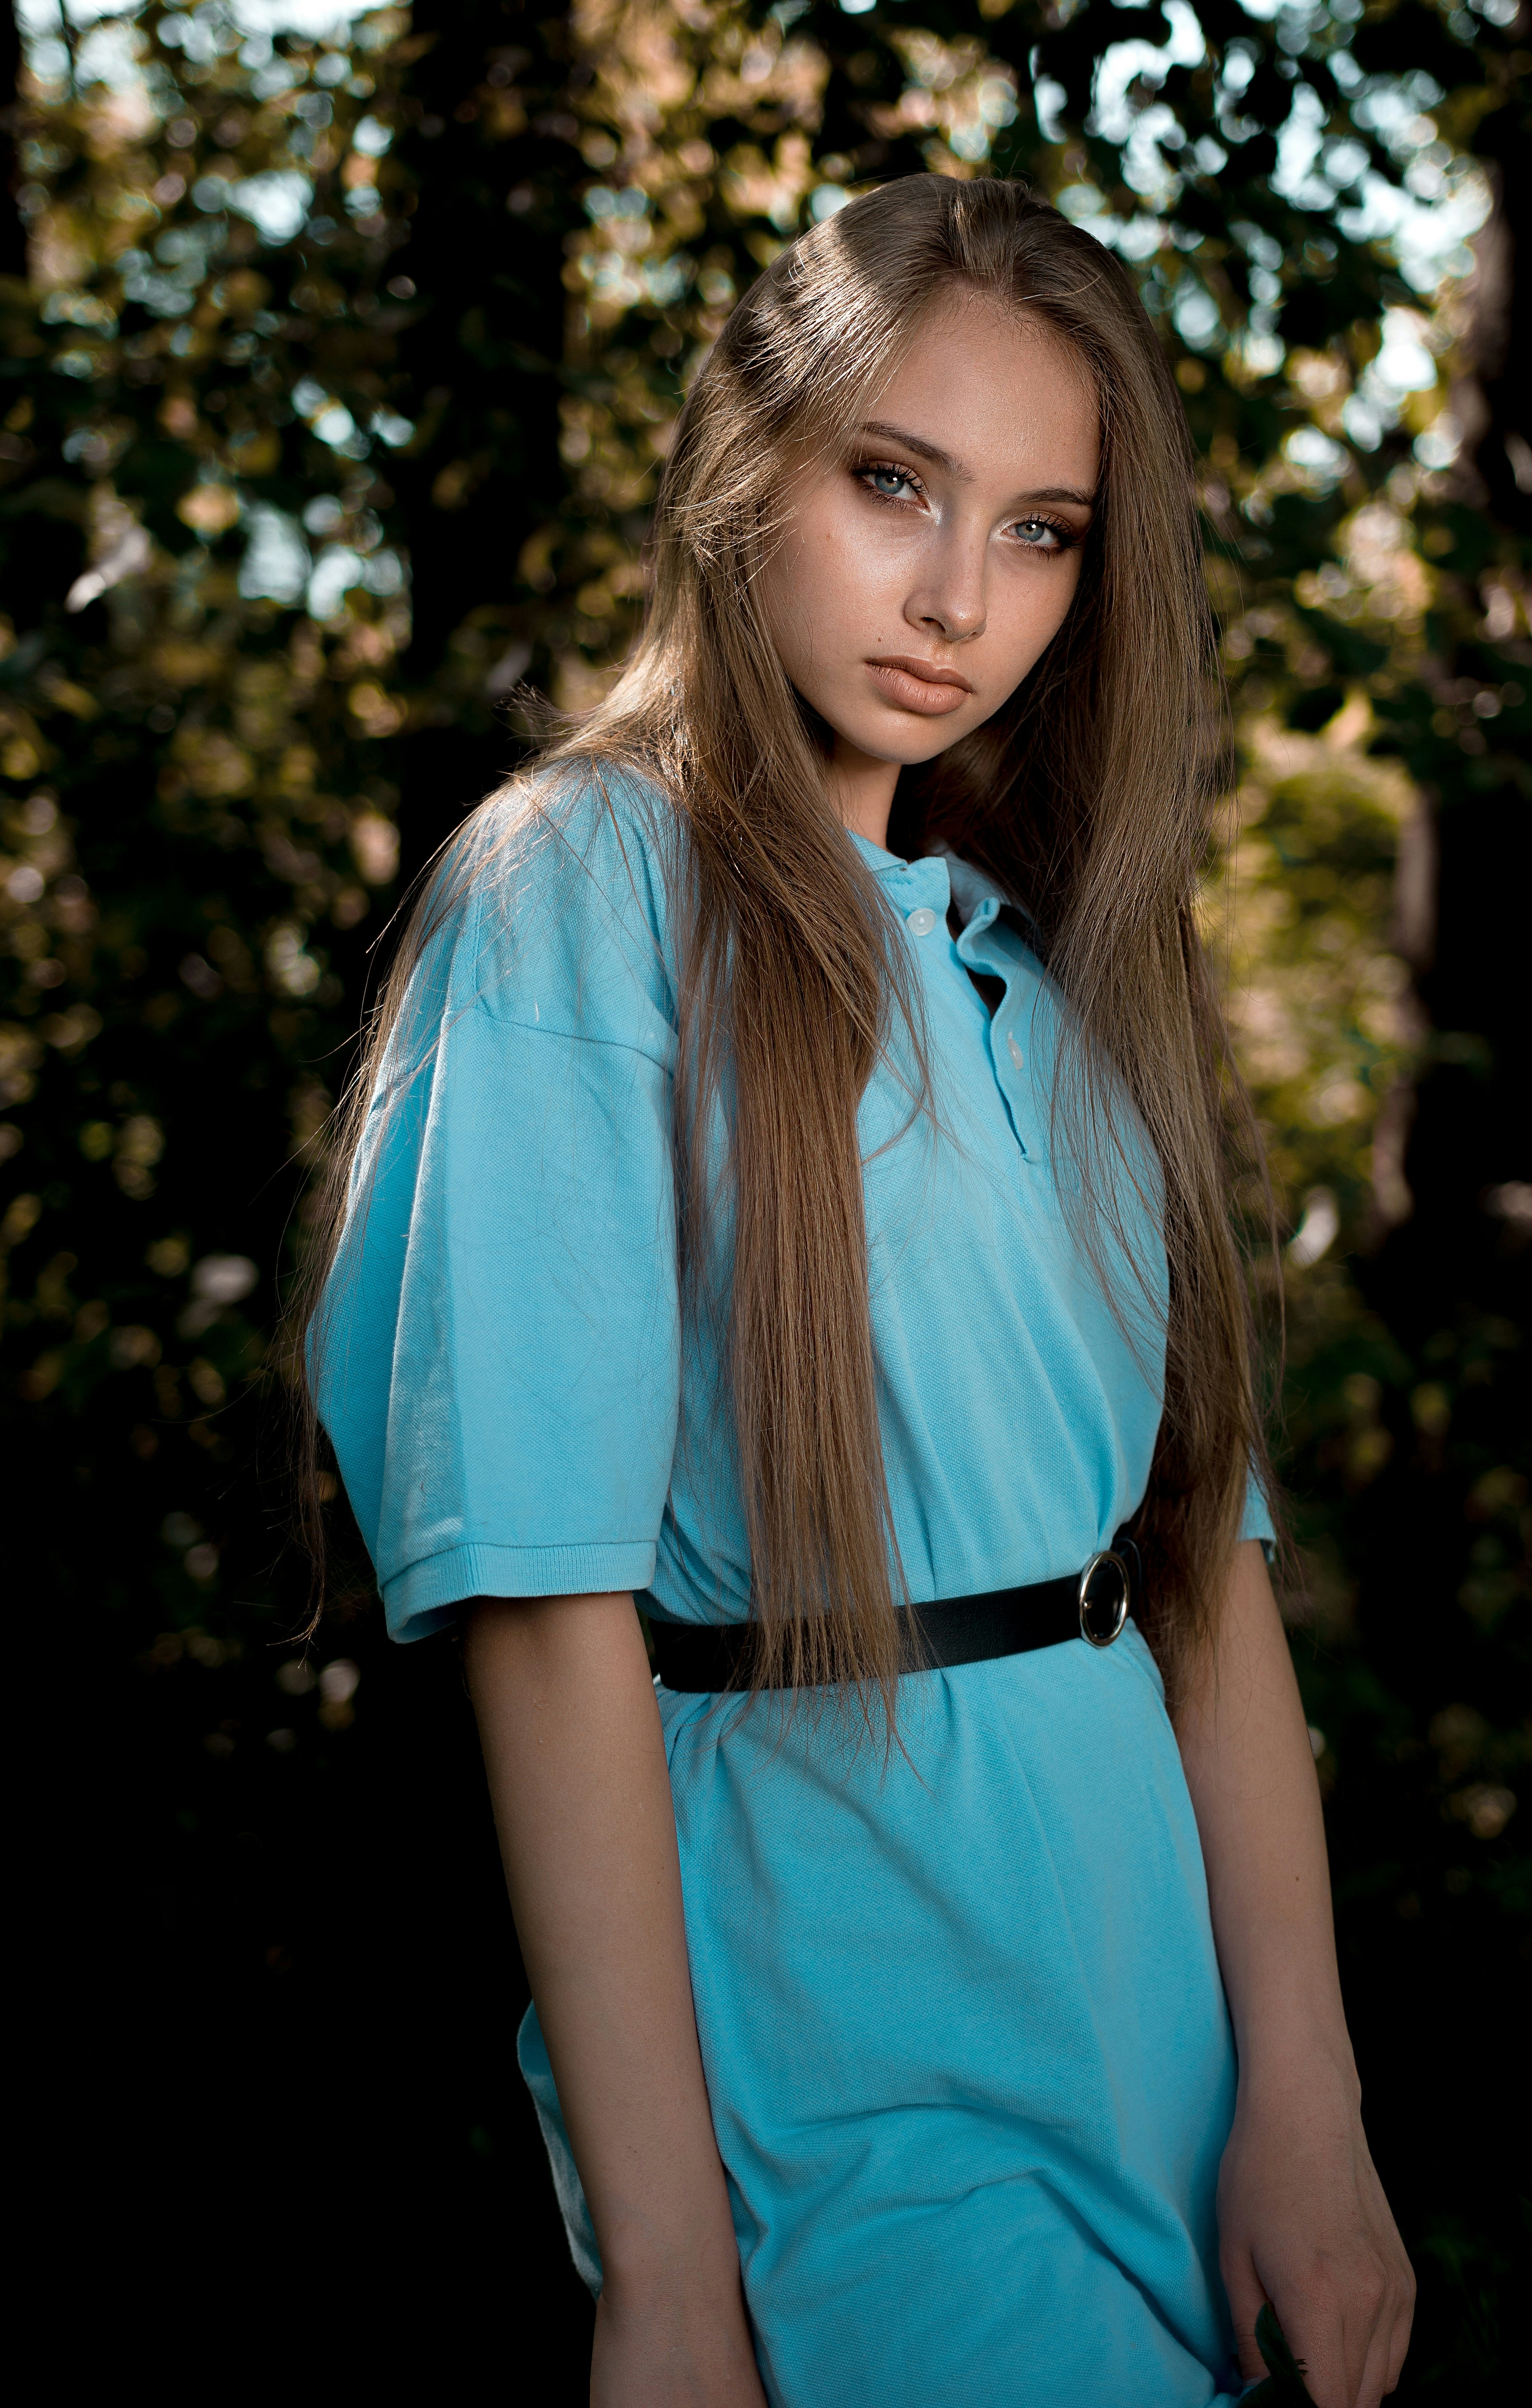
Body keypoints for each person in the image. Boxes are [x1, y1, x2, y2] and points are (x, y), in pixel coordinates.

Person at [301, 175, 1414, 2408]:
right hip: (841, 1998)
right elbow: (546, 1610)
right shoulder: (580, 897)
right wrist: (671, 2263)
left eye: (1040, 529)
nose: (954, 596)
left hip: (1148, 1999)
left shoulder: (1070, 956)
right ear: (746, 470)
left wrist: (1311, 2099)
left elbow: (1200, 1570)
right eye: (892, 482)